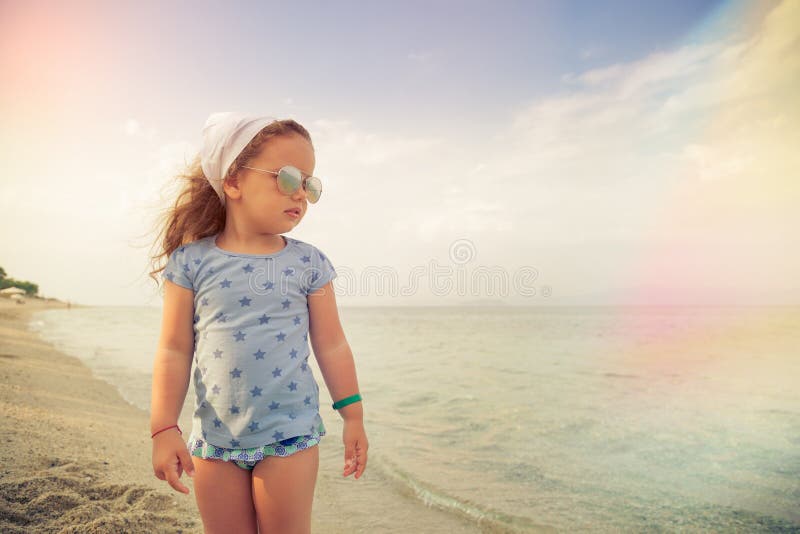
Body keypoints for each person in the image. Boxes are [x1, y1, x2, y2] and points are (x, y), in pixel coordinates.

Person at [148, 112, 368, 533]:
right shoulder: (192, 263)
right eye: (287, 178)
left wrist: (352, 416)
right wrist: (162, 428)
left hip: (291, 435)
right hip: (214, 440)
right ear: (232, 182)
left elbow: (332, 344)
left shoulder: (308, 263)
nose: (301, 194)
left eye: (310, 184)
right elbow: (174, 349)